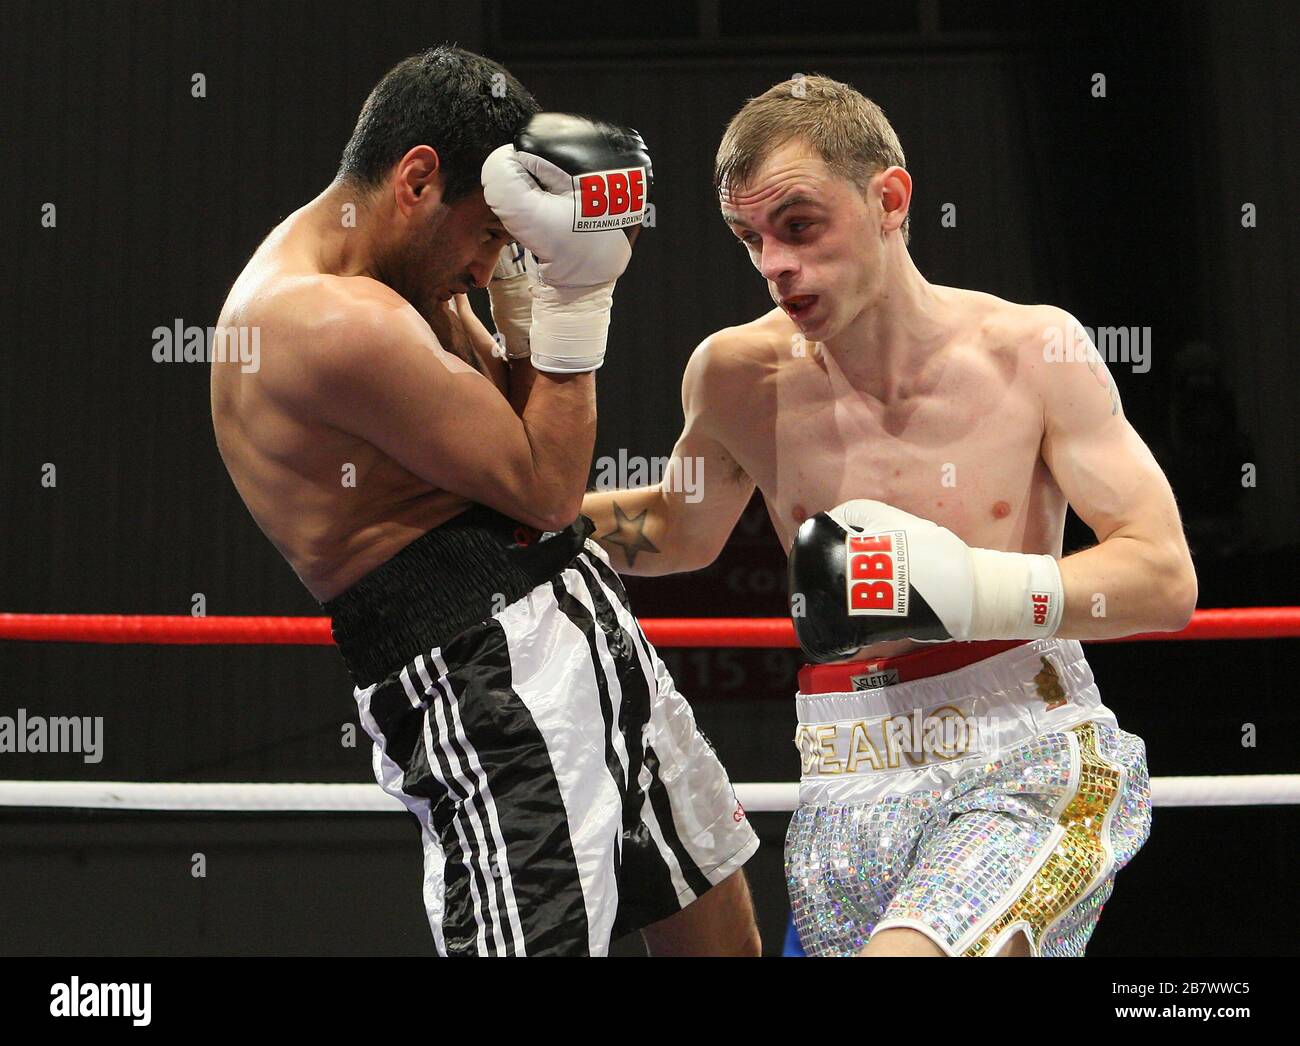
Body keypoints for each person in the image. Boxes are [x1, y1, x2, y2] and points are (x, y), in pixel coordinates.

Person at [581, 74, 1197, 957]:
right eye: (749, 238)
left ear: (890, 199)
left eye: (798, 226)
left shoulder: (1031, 352)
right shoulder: (735, 377)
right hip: (842, 774)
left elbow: (1163, 577)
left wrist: (963, 591)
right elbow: (675, 531)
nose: (773, 264)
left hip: (1021, 752)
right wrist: (508, 516)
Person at [210, 45, 759, 957]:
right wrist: (578, 293)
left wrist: (518, 283)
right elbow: (546, 484)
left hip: (581, 621)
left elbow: (512, 414)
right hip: (482, 676)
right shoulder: (322, 319)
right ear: (417, 178)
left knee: (724, 940)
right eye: (488, 235)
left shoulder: (400, 277)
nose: (484, 264)